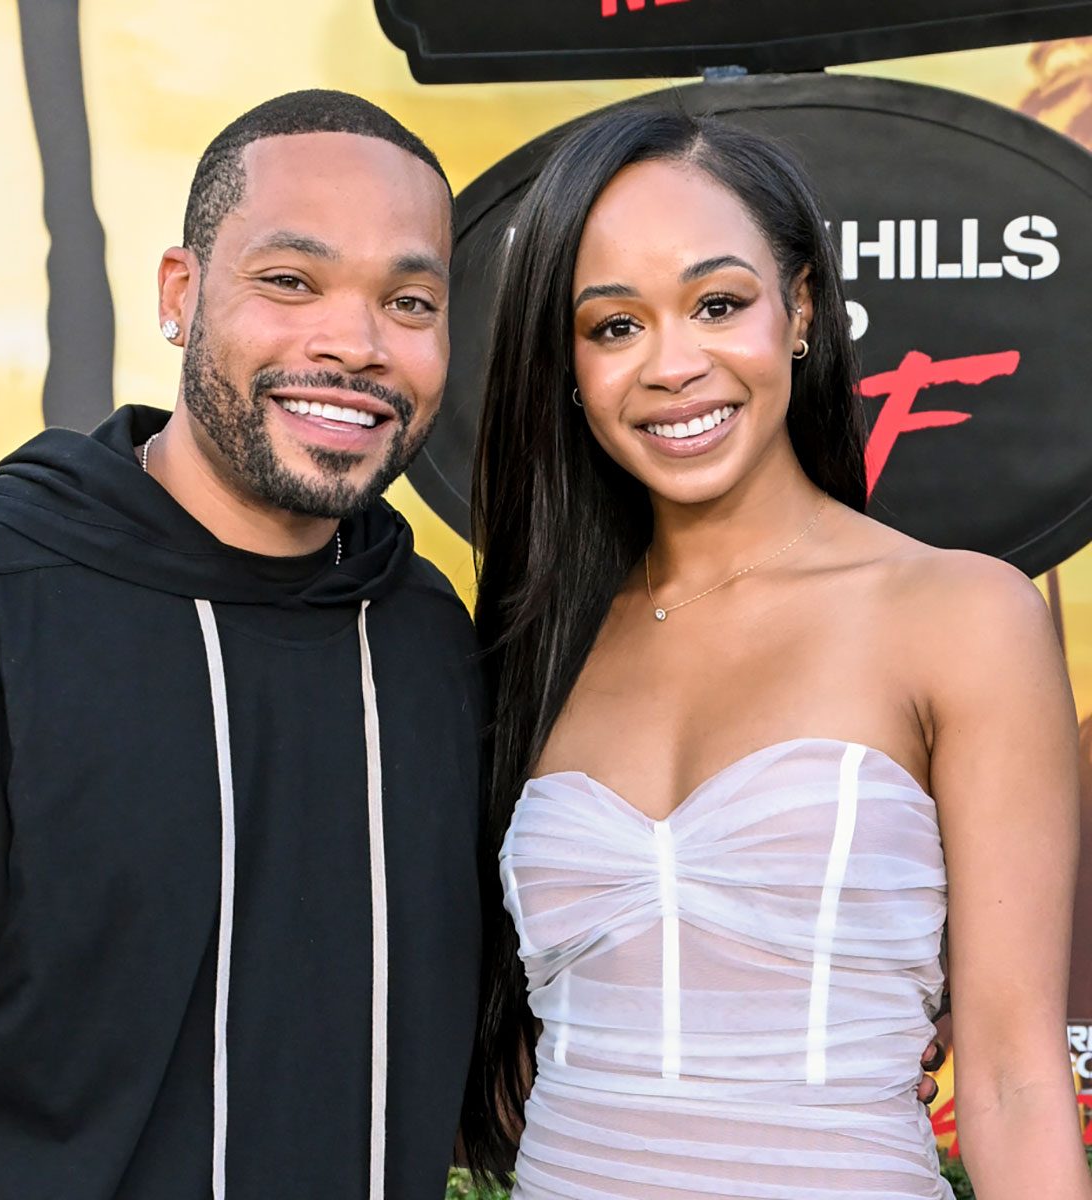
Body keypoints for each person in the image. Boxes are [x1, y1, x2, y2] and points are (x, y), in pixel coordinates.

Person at [464, 102, 1089, 1198]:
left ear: (798, 308)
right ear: (565, 361)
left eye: (718, 304)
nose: (673, 365)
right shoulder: (537, 638)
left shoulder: (963, 616)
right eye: (614, 325)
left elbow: (1011, 1083)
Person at [0, 90, 482, 1200]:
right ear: (181, 292)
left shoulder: (426, 640)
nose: (353, 344)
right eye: (291, 281)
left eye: (409, 301)